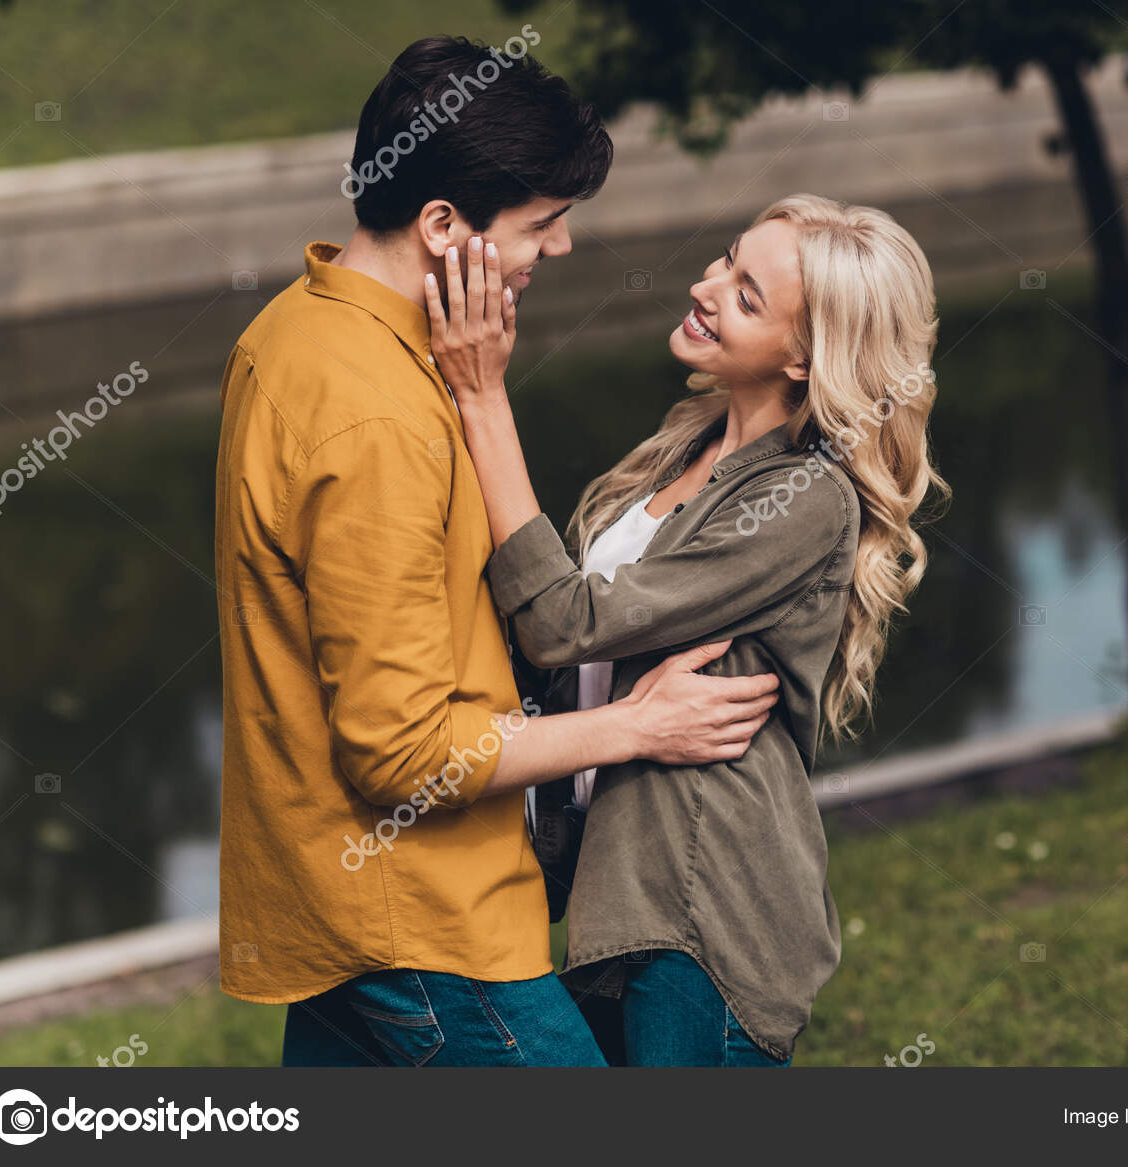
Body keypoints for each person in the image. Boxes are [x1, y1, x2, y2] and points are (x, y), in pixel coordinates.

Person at [214, 34, 780, 1068]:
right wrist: (635, 726)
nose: (556, 249)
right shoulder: (377, 414)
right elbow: (400, 753)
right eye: (542, 224)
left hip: (333, 902)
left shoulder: (294, 331)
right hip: (423, 923)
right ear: (442, 225)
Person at [427, 192, 947, 1065]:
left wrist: (483, 395)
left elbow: (566, 621)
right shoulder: (689, 442)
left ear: (804, 358)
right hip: (623, 890)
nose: (708, 288)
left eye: (747, 297)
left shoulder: (804, 496)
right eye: (727, 261)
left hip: (706, 909)